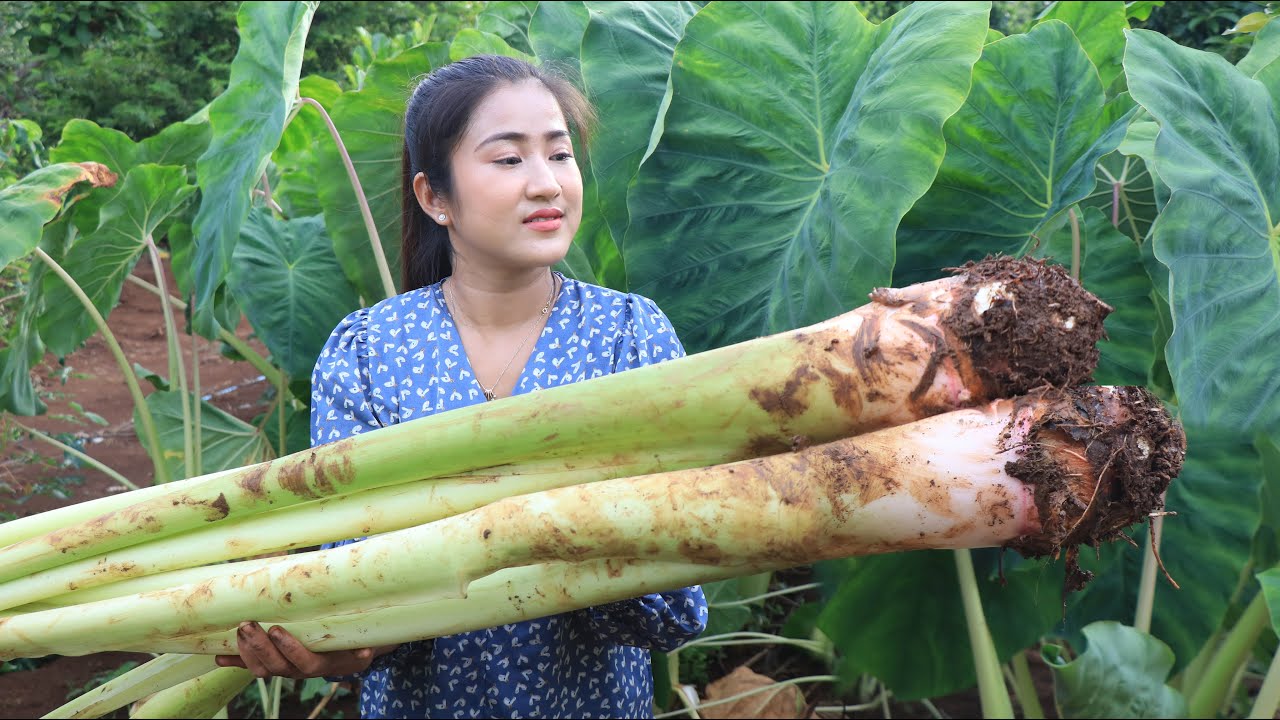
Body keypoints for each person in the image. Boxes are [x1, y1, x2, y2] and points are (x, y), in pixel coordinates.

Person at [214, 55, 709, 718]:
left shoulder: (630, 338)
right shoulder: (367, 353)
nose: (547, 184)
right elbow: (358, 586)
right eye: (508, 160)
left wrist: (568, 533)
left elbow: (677, 611)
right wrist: (342, 646)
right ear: (434, 197)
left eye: (560, 155)